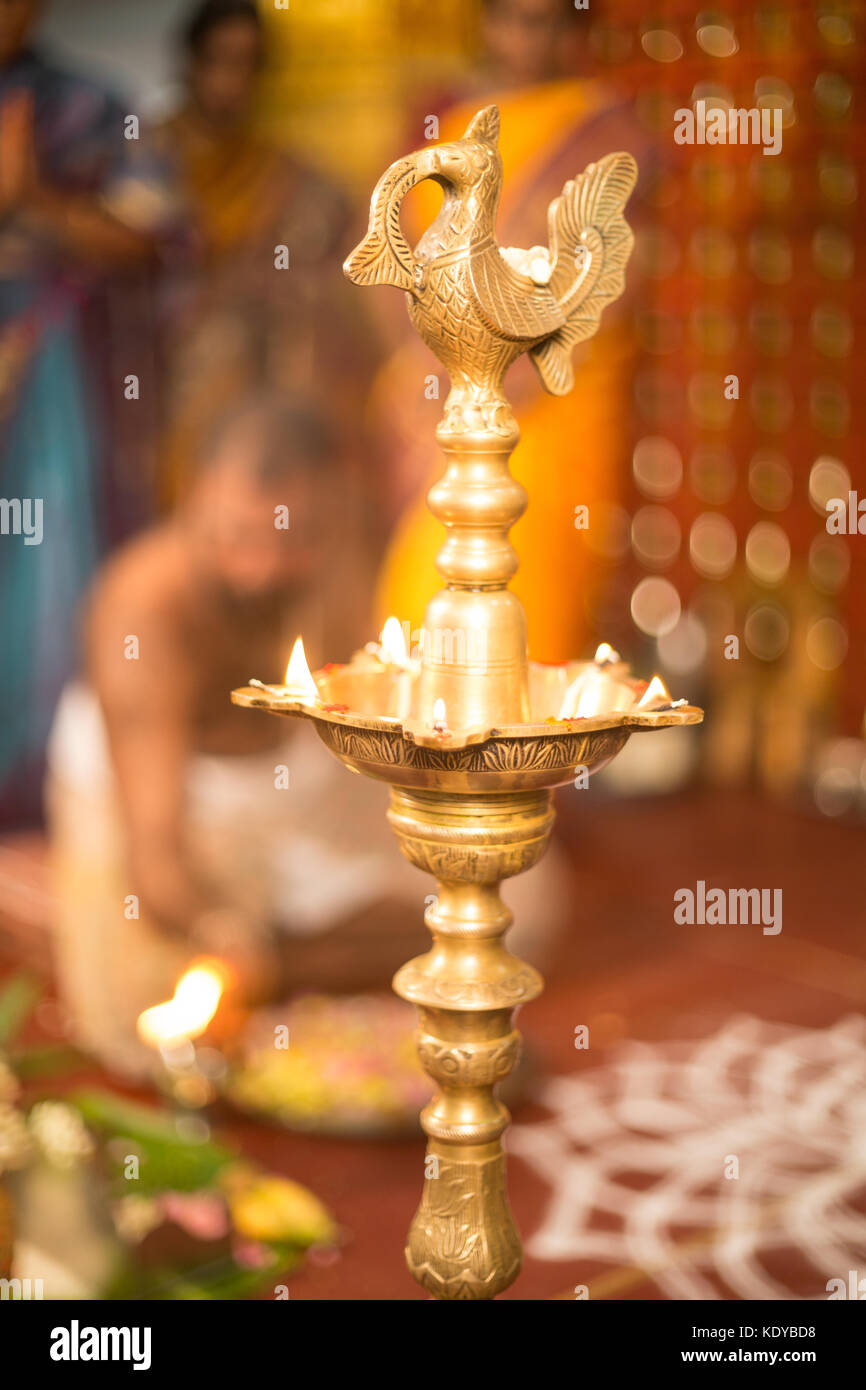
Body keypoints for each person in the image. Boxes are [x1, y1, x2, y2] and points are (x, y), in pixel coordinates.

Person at [46, 395, 427, 1077]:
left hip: (295, 798)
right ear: (194, 501)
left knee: (499, 903)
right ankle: (277, 968)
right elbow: (155, 854)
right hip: (165, 825)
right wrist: (224, 933)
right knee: (144, 1009)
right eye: (236, 538)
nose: (259, 570)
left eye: (290, 541)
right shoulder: (144, 610)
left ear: (335, 511)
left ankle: (279, 969)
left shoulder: (346, 562)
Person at [372, 0, 652, 663]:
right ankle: (430, 764)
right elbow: (387, 252)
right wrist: (416, 367)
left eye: (546, 20)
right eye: (512, 17)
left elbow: (609, 285)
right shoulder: (438, 119)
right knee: (421, 607)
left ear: (576, 27)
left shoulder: (601, 129)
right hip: (427, 397)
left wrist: (488, 385)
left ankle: (526, 765)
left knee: (523, 605)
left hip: (548, 404)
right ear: (485, 21)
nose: (527, 37)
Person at [0, 0, 174, 827]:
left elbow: (151, 236)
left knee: (43, 557)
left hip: (44, 361)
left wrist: (33, 198)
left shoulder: (89, 105)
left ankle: (37, 795)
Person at [154, 0, 377, 511]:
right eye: (220, 60)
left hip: (248, 397)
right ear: (189, 64)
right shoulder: (147, 159)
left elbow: (337, 233)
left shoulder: (286, 179)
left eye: (248, 64)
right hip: (151, 385)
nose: (233, 81)